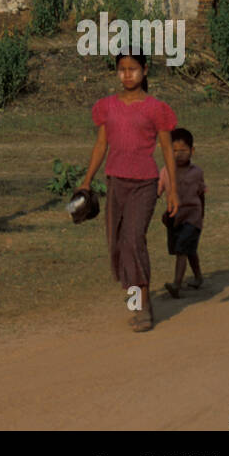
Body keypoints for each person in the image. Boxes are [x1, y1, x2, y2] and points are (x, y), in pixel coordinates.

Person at [76, 53, 179, 332]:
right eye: (122, 70)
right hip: (116, 183)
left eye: (133, 69)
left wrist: (173, 191)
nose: (127, 75)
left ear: (145, 70)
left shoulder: (156, 108)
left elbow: (168, 149)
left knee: (134, 240)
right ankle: (136, 297)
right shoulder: (106, 107)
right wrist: (86, 181)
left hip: (145, 183)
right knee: (118, 244)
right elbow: (101, 146)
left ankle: (144, 306)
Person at [158, 127, 205, 297]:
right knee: (188, 249)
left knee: (182, 250)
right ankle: (198, 277)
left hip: (192, 218)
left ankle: (176, 284)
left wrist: (202, 217)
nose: (178, 154)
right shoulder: (164, 172)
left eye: (183, 150)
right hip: (174, 219)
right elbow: (156, 193)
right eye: (174, 150)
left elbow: (201, 195)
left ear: (192, 151)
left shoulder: (197, 172)